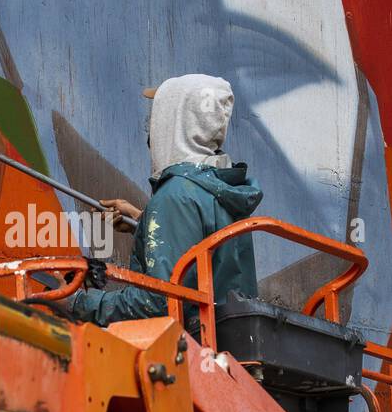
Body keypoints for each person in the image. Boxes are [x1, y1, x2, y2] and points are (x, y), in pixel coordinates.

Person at [65, 74, 262, 331]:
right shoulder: (222, 189)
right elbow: (205, 252)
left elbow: (158, 302)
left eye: (158, 114)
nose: (151, 128)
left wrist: (81, 302)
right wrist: (144, 222)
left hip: (188, 350)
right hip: (223, 350)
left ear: (174, 122)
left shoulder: (175, 196)